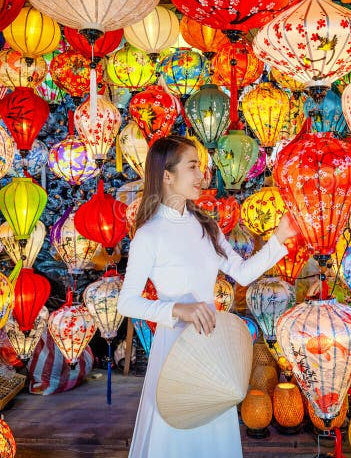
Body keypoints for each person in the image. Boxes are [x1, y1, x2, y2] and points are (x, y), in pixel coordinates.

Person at [117, 135, 297, 458]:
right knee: (176, 436)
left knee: (212, 436)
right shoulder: (149, 235)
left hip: (212, 347)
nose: (202, 175)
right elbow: (126, 302)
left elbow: (241, 273)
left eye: (200, 166)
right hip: (174, 350)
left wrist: (279, 237)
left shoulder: (206, 227)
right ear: (167, 176)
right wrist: (178, 310)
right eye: (192, 167)